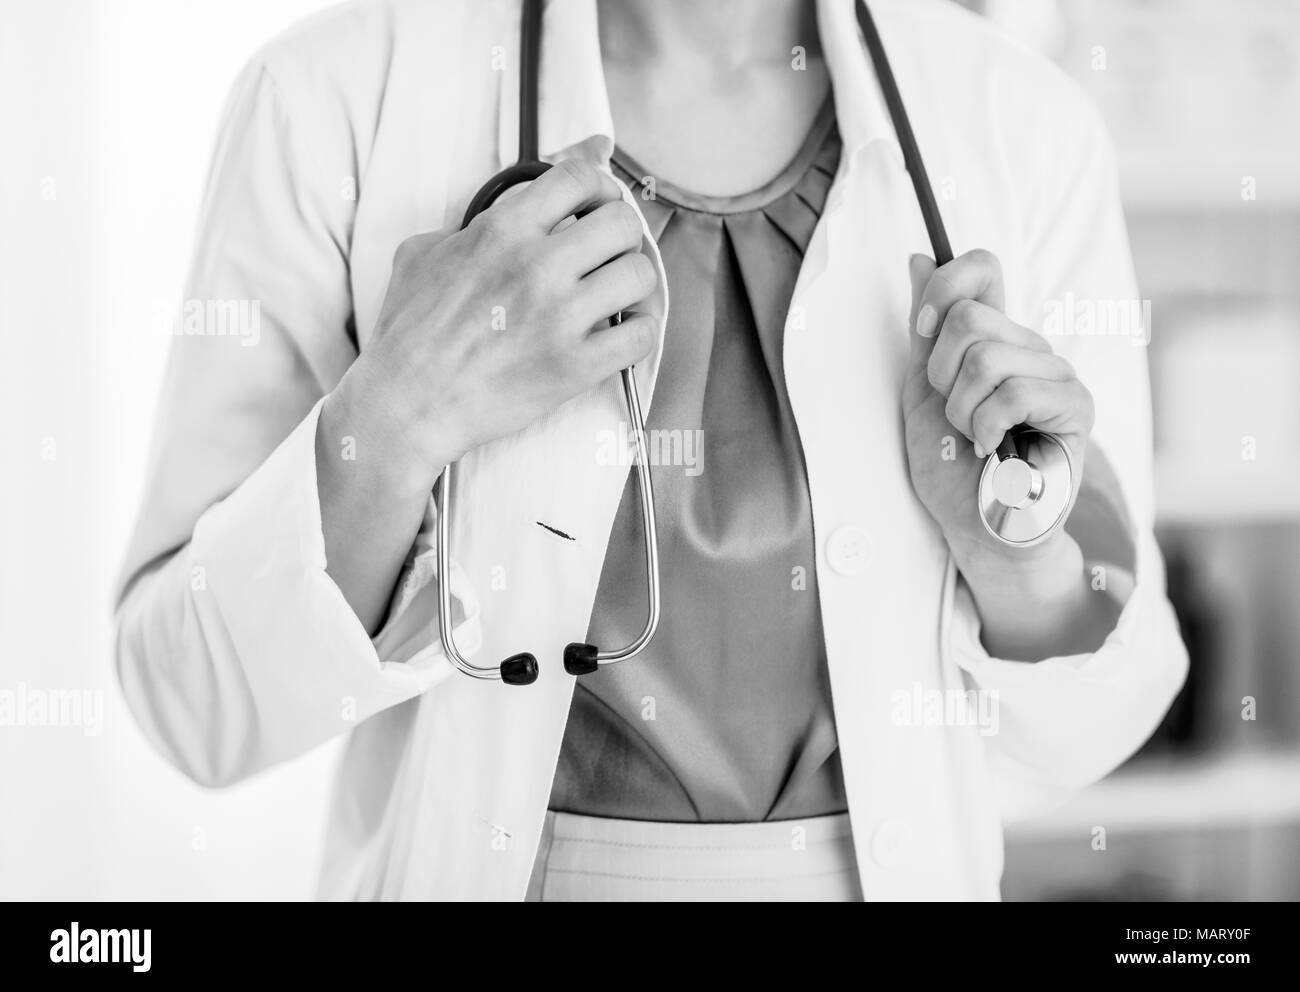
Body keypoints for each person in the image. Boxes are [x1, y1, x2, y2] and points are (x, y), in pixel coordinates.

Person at [114, 0, 1188, 900]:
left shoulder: (1022, 129)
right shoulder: (330, 99)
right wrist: (400, 412)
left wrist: (1007, 547)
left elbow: (1107, 713)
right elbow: (193, 701)